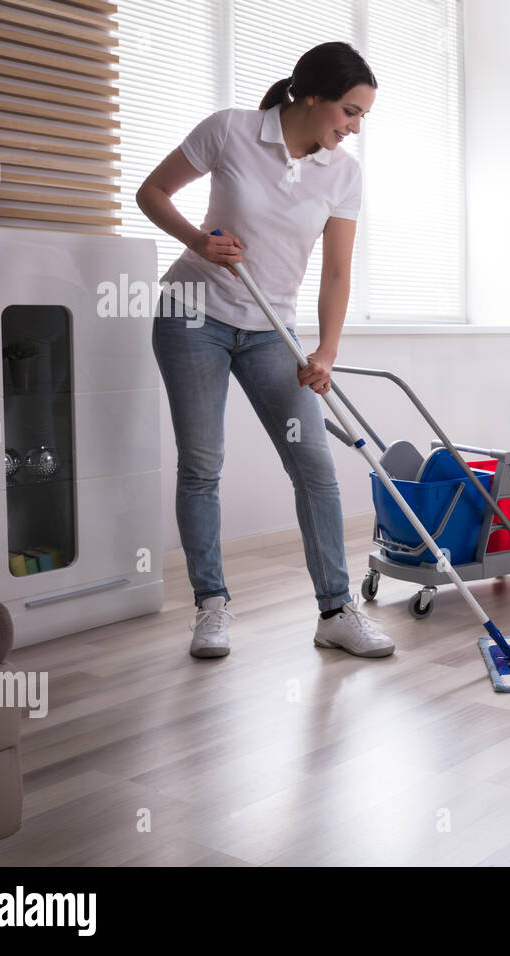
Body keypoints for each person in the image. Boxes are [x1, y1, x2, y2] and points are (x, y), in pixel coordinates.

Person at [136, 42, 393, 661]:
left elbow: (336, 274)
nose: (355, 128)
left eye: (363, 117)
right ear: (310, 95)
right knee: (203, 464)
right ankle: (211, 607)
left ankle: (336, 611)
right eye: (349, 112)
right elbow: (152, 193)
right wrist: (198, 241)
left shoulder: (344, 173)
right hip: (191, 315)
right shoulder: (231, 130)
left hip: (272, 329)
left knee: (313, 468)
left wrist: (326, 352)